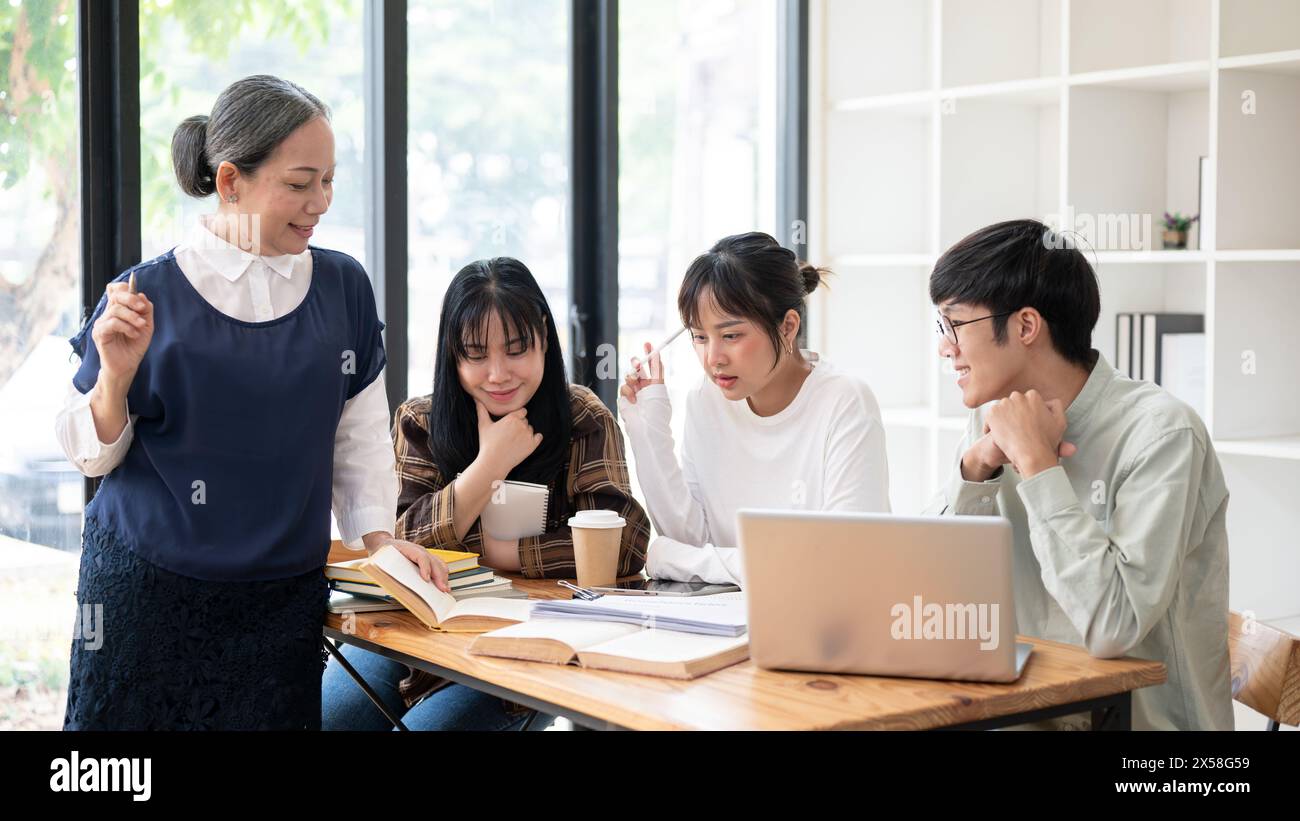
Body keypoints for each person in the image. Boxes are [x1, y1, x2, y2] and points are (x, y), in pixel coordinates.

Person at [54, 75, 445, 730]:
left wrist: (380, 541)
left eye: (328, 179)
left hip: (278, 609)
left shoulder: (343, 286)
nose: (319, 201)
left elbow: (360, 440)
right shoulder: (145, 294)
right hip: (148, 600)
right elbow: (92, 455)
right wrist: (115, 378)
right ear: (231, 181)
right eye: (299, 183)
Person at [925, 218, 1232, 730]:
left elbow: (1114, 625)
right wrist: (975, 470)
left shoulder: (1161, 433)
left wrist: (1040, 467)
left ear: (1025, 326)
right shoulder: (992, 419)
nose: (944, 346)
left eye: (954, 324)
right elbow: (930, 589)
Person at [321, 256, 650, 730]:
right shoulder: (421, 421)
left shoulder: (583, 418)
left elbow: (625, 544)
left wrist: (503, 551)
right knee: (333, 722)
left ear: (544, 338)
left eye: (516, 349)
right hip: (412, 622)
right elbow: (398, 540)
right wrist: (488, 465)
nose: (497, 373)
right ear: (451, 354)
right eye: (475, 354)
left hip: (526, 645)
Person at [618, 231, 889, 586]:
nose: (713, 358)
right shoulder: (706, 400)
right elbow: (690, 542)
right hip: (728, 624)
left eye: (731, 336)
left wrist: (676, 558)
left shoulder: (844, 401)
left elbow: (842, 564)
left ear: (788, 326)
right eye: (699, 337)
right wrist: (648, 429)